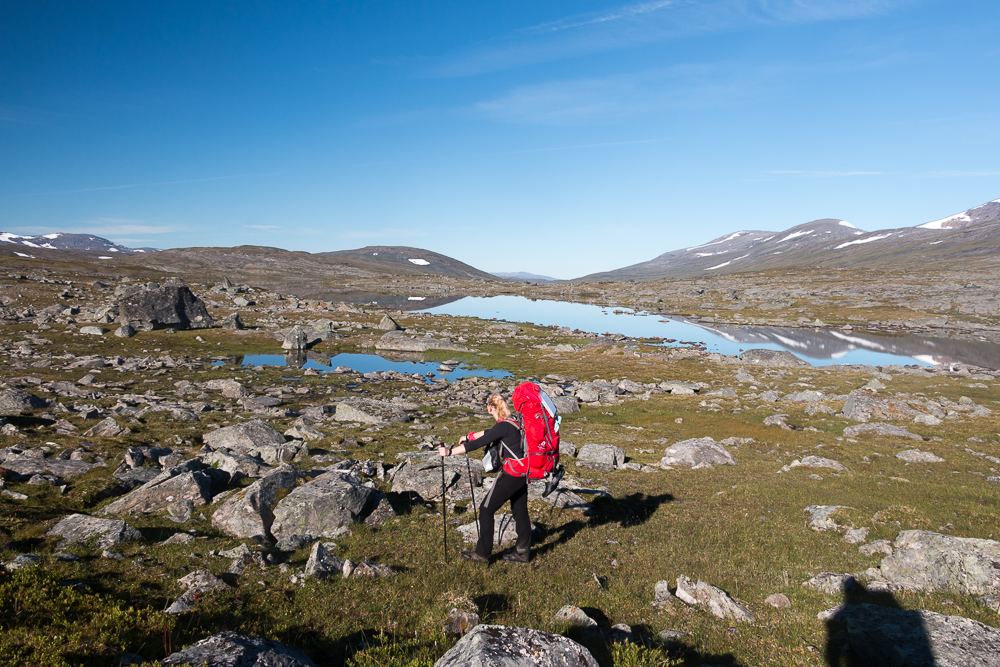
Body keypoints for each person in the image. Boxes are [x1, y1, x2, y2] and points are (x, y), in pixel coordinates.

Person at [438, 393, 531, 564]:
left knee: (486, 509)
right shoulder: (514, 421)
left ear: (490, 408)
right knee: (520, 512)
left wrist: (449, 452)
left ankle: (482, 554)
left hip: (511, 474)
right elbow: (490, 433)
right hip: (523, 472)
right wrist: (470, 435)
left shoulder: (503, 425)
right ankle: (522, 552)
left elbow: (478, 444)